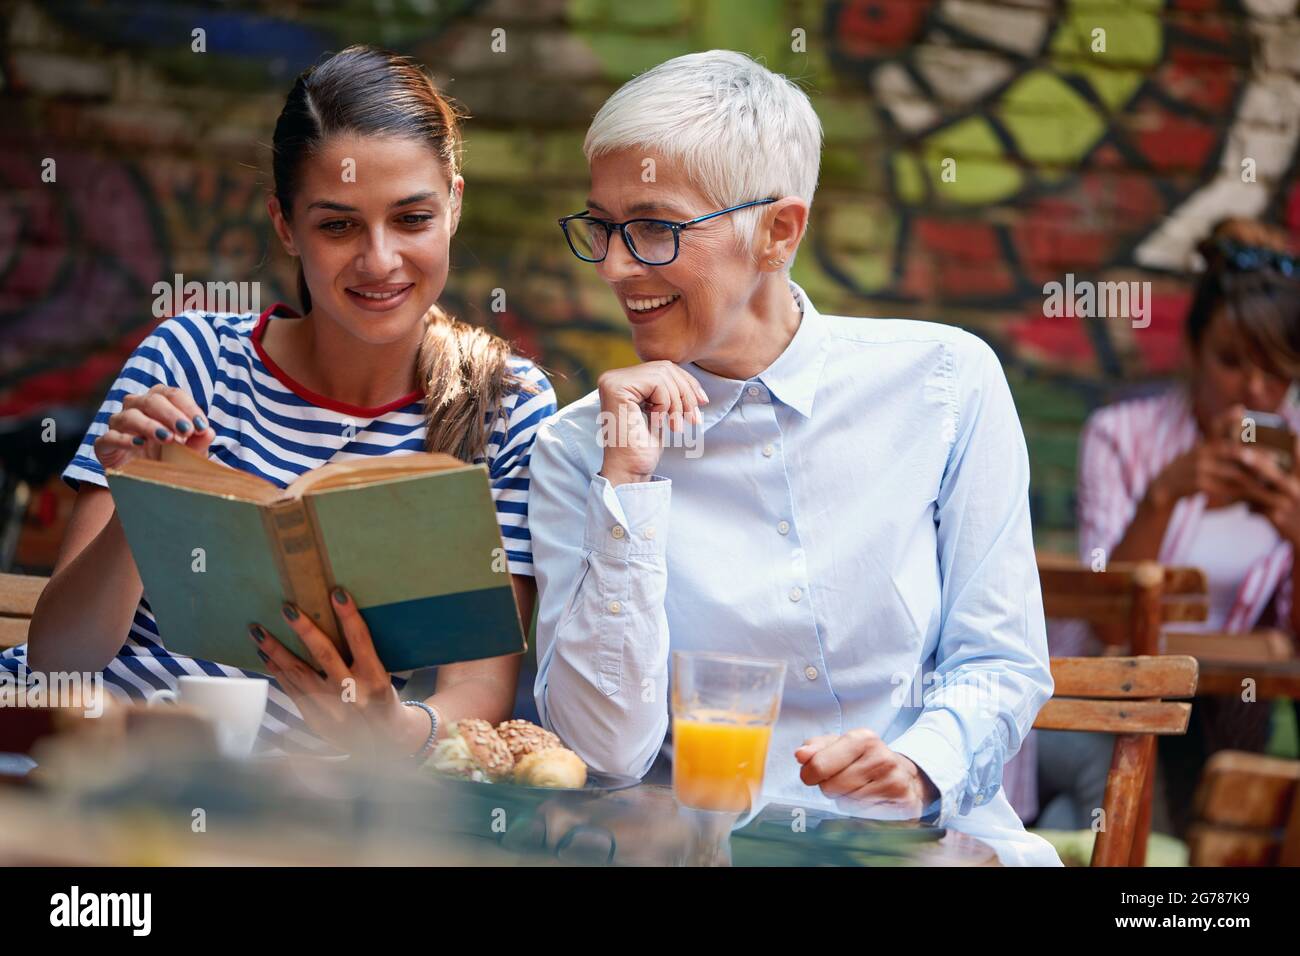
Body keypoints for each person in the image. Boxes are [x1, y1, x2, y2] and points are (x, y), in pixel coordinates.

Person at [527, 50, 1059, 865]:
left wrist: (922, 766)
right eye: (600, 226)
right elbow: (605, 750)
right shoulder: (580, 449)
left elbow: (1001, 659)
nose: (614, 265)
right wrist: (626, 488)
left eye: (655, 227)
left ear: (778, 231)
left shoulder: (947, 382)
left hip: (922, 848)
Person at [1, 46, 556, 760]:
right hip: (89, 758)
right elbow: (58, 661)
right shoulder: (189, 359)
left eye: (411, 218)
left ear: (453, 202)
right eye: (338, 225)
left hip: (291, 798)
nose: (380, 260)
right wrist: (147, 503)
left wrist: (398, 731)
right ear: (286, 225)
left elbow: (478, 689)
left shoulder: (501, 407)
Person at [1032, 218, 1300, 834]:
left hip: (1225, 715)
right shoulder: (1121, 437)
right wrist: (1163, 496)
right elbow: (1104, 615)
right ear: (1192, 352)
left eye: (1276, 370)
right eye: (1232, 363)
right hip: (1103, 699)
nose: (1255, 389)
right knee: (1122, 784)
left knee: (1094, 818)